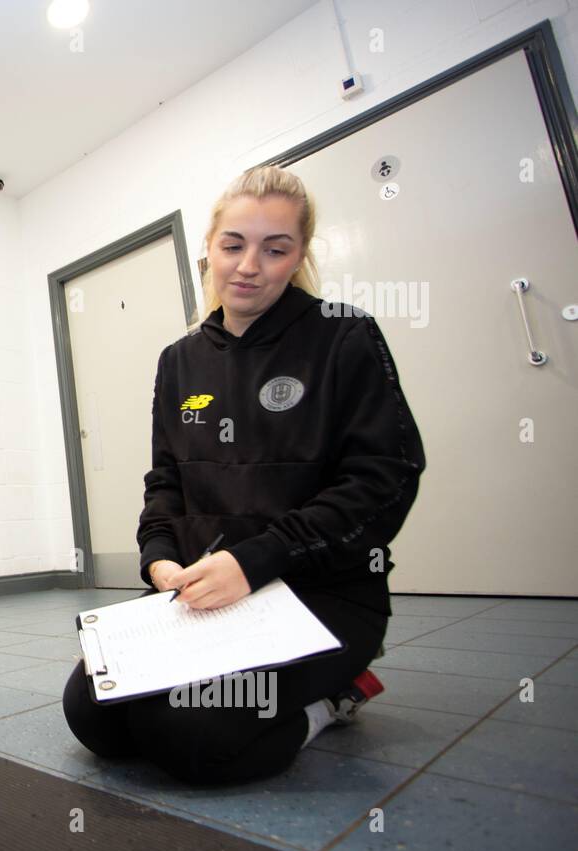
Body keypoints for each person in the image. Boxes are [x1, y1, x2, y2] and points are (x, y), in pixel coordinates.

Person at [62, 165, 426, 785]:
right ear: (210, 246)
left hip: (320, 592)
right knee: (93, 717)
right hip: (207, 594)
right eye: (233, 245)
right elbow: (166, 481)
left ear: (299, 255)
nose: (249, 265)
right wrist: (158, 558)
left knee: (193, 734)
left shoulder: (344, 335)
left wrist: (257, 560)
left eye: (275, 249)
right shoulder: (180, 361)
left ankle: (333, 699)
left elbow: (384, 480)